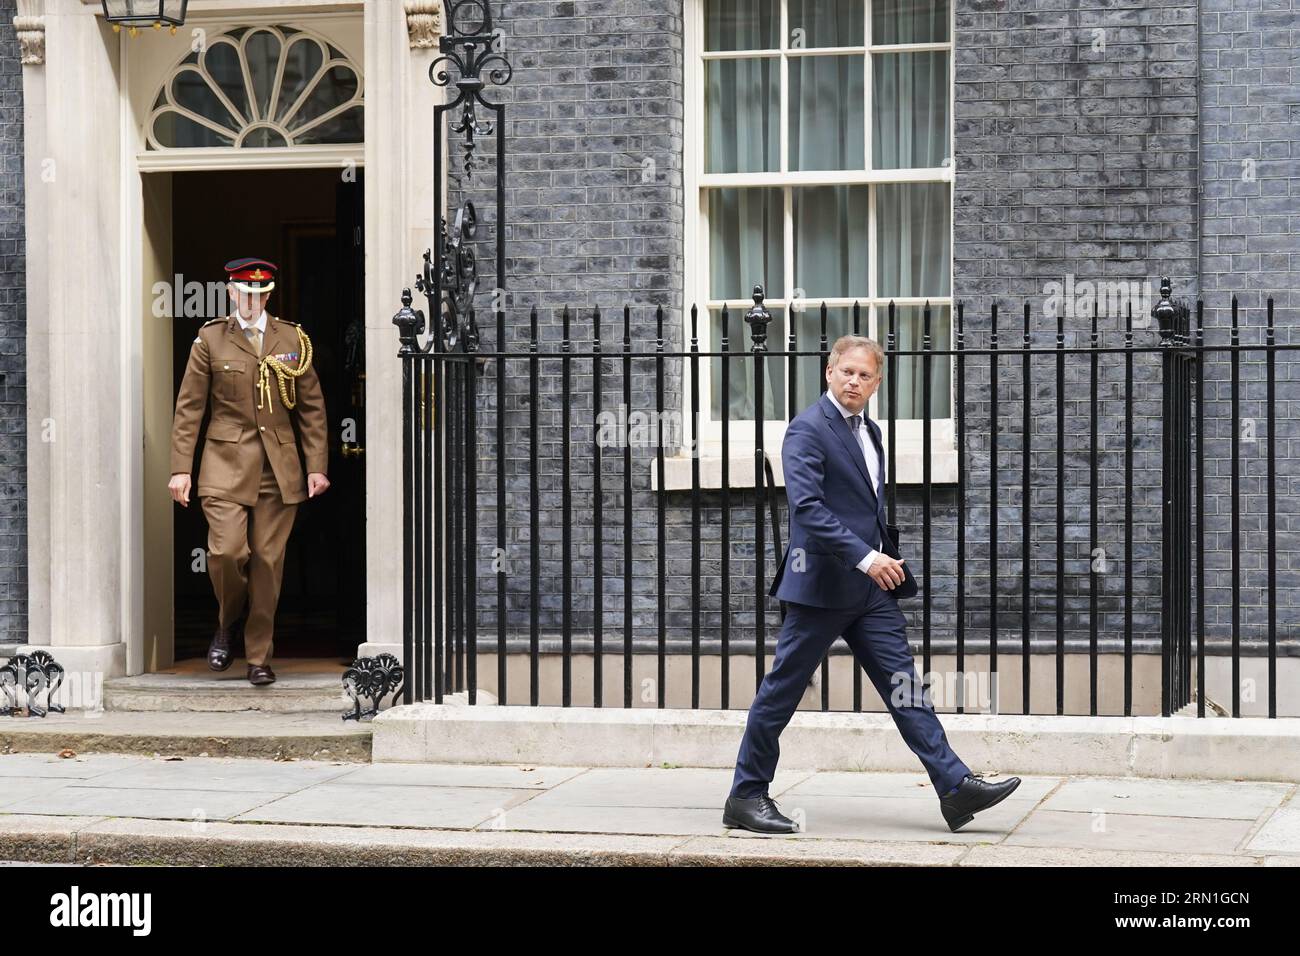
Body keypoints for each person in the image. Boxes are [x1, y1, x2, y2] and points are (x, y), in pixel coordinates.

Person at [723, 334, 1020, 834]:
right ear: (829, 372)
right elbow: (808, 510)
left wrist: (879, 557)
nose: (854, 381)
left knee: (905, 687)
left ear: (876, 382)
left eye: (865, 375)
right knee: (782, 691)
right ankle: (746, 795)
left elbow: (866, 505)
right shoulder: (807, 430)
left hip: (869, 592)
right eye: (847, 372)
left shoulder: (871, 431)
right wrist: (866, 558)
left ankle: (952, 786)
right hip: (821, 587)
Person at [168, 258, 329, 686]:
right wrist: (181, 470)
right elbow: (189, 409)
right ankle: (226, 622)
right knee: (226, 553)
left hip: (279, 470)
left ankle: (258, 656)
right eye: (245, 292)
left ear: (269, 294)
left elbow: (311, 408)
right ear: (231, 293)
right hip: (224, 465)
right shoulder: (210, 339)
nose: (253, 300)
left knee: (267, 564)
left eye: (261, 293)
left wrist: (317, 467)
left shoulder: (292, 338)